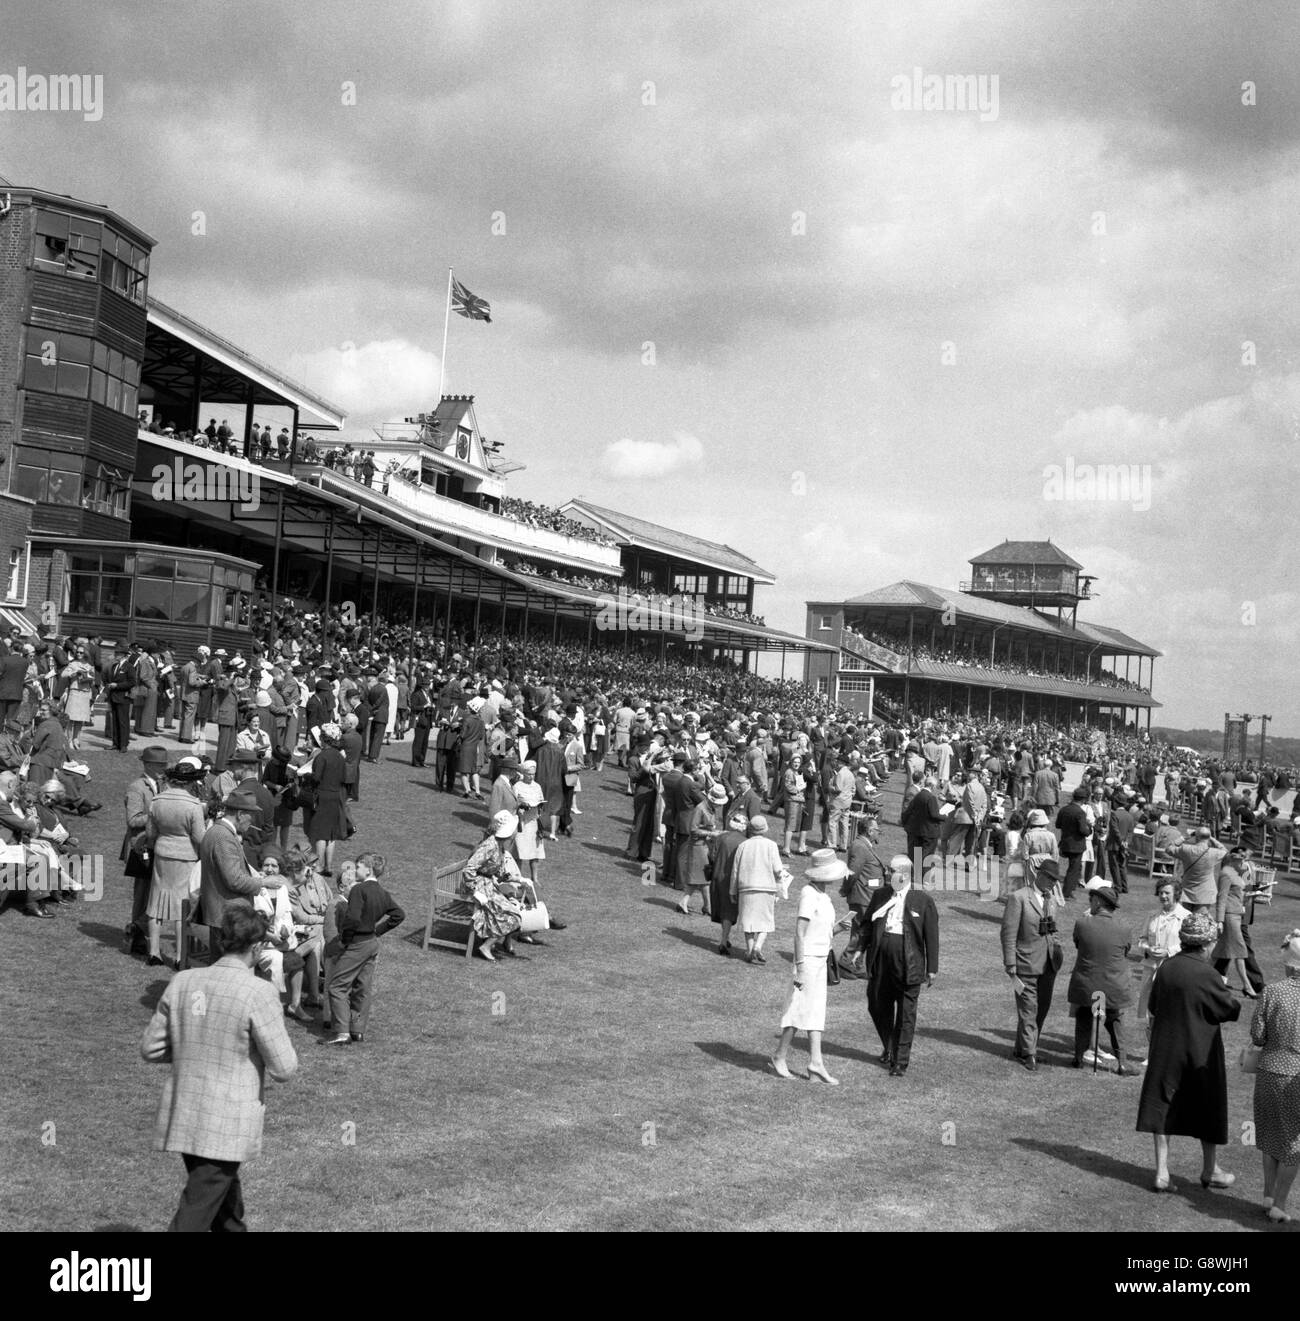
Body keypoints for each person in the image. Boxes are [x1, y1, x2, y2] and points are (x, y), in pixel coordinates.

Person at [140, 899, 298, 1231]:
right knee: (197, 1209)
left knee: (225, 1209)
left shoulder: (183, 981)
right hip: (227, 1117)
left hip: (185, 1109)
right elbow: (284, 1068)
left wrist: (194, 1045)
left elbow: (152, 1049)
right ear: (256, 947)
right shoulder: (258, 992)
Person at [1136, 909, 1241, 1193]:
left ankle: (1161, 1173)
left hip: (1166, 1048)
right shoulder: (1208, 974)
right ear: (1205, 944)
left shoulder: (1166, 968)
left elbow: (1153, 1006)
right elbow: (1230, 1010)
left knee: (1162, 1104)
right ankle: (1210, 1170)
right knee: (1209, 1106)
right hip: (1200, 1050)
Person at [771, 851, 854, 1084]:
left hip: (820, 959)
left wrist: (839, 928)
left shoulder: (824, 897)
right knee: (797, 1009)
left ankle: (815, 1063)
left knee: (816, 1011)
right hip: (806, 960)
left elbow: (822, 932)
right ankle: (780, 1056)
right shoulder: (808, 894)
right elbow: (799, 932)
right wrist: (798, 966)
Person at [863, 855, 939, 1077]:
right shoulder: (879, 895)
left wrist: (932, 968)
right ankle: (889, 1046)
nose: (886, 873)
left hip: (909, 963)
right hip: (881, 961)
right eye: (887, 869)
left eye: (891, 870)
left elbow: (931, 936)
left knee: (906, 1013)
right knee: (876, 1003)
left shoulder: (923, 901)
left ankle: (900, 1061)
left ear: (904, 875)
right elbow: (868, 925)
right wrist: (857, 951)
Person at [323, 853, 404, 1044]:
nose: (355, 869)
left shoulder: (359, 890)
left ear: (368, 869)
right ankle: (357, 1030)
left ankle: (342, 1032)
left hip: (357, 944)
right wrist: (377, 931)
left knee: (337, 986)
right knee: (362, 987)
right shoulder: (383, 893)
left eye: (358, 866)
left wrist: (345, 940)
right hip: (372, 944)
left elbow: (352, 919)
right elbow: (399, 915)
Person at [1250, 930, 1300, 1222]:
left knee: (1269, 1136)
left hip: (1269, 1071)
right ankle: (1279, 1204)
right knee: (1293, 1144)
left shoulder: (1271, 991)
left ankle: (1269, 1197)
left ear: (1290, 964)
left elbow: (1257, 1034)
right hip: (1296, 1075)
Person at [1067, 879, 1139, 1074]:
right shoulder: (1124, 929)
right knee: (1114, 1018)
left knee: (1084, 1016)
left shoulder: (1082, 924)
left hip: (1086, 984)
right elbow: (1125, 952)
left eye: (1091, 900)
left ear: (1098, 902)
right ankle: (1122, 1062)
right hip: (1113, 985)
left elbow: (1078, 944)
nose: (1089, 903)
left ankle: (1078, 1058)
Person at [1000, 857, 1064, 1072]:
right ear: (1039, 875)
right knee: (1029, 1009)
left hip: (1048, 965)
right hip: (1025, 963)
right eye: (1049, 878)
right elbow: (1008, 933)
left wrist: (1057, 948)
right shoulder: (1019, 898)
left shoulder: (1051, 899)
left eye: (1055, 880)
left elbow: (1052, 930)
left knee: (1041, 1010)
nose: (1052, 883)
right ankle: (1030, 1053)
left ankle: (1023, 1048)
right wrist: (1010, 963)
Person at [144, 758, 208, 968]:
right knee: (183, 904)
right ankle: (181, 955)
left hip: (162, 853)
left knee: (156, 901)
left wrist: (158, 844)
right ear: (190, 782)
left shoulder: (158, 800)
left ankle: (154, 952)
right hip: (186, 855)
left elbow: (150, 833)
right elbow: (199, 837)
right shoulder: (193, 805)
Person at [459, 811, 529, 962]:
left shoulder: (499, 845)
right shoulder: (490, 845)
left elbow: (500, 873)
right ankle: (486, 946)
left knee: (515, 911)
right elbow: (469, 868)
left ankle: (494, 943)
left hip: (488, 885)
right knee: (513, 916)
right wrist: (474, 892)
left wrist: (519, 879)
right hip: (480, 887)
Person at [1135, 879, 1190, 1065]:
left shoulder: (1186, 917)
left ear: (1177, 894)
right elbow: (1141, 939)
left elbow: (1190, 945)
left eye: (1167, 892)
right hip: (1151, 968)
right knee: (1152, 1010)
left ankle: (1170, 1054)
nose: (1163, 896)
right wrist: (1148, 948)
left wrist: (1169, 951)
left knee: (1171, 1011)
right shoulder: (1152, 915)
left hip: (1174, 970)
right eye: (1161, 892)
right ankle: (1152, 1054)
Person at [122, 746, 168, 956]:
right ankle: (137, 935)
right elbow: (132, 819)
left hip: (157, 845)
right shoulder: (136, 788)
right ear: (148, 765)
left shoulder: (163, 786)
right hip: (141, 846)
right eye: (159, 765)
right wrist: (157, 816)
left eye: (164, 765)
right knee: (142, 895)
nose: (163, 769)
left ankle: (138, 929)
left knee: (155, 893)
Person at [730, 815, 790, 965]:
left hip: (746, 887)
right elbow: (777, 869)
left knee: (748, 920)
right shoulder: (771, 845)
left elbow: (735, 870)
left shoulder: (743, 846)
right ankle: (757, 947)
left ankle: (750, 949)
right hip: (766, 887)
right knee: (765, 919)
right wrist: (782, 877)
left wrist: (732, 890)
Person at [302, 723, 349, 877]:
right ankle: (329, 866)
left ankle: (319, 866)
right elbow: (343, 778)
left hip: (322, 796)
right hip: (335, 796)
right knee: (331, 834)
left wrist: (306, 776)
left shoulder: (322, 756)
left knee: (320, 833)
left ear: (325, 739)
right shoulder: (340, 757)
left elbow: (316, 778)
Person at [1212, 846, 1257, 998]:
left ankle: (1197, 978)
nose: (1243, 863)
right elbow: (1222, 898)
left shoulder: (1236, 874)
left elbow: (1237, 893)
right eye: (1241, 860)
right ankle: (1247, 986)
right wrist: (1219, 920)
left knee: (1216, 954)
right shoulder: (1226, 873)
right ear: (1233, 860)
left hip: (1237, 914)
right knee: (1240, 951)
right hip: (1229, 916)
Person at [708, 809, 748, 956]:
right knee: (728, 912)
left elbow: (711, 856)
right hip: (732, 880)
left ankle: (726, 938)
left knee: (724, 910)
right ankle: (723, 942)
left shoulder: (721, 838)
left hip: (717, 876)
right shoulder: (745, 843)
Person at [678, 785, 723, 916]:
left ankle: (689, 903)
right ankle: (707, 907)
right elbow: (693, 829)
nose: (719, 806)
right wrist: (713, 834)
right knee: (704, 877)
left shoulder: (710, 808)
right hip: (698, 846)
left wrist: (716, 832)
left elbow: (708, 827)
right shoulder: (700, 809)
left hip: (704, 845)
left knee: (701, 877)